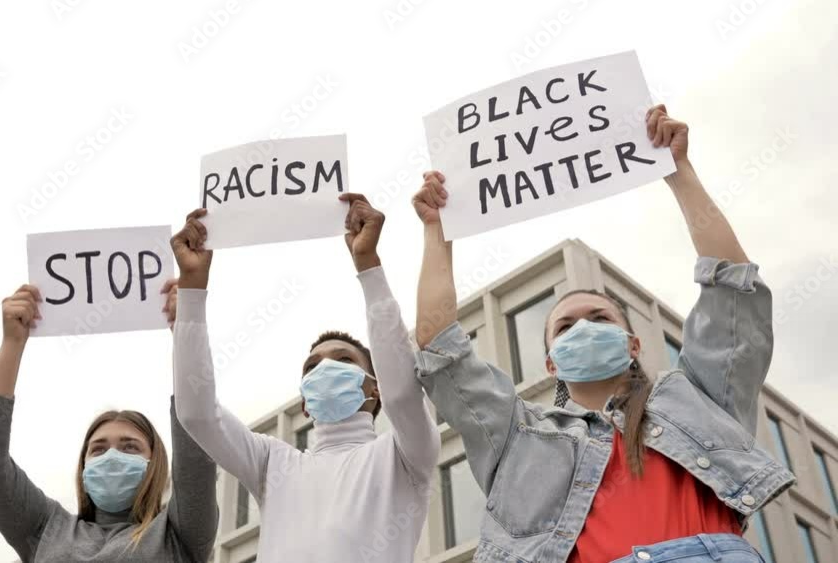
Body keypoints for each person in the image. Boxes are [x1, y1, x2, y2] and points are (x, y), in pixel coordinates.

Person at [411, 105, 795, 563]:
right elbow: (441, 349)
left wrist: (679, 171)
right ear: (551, 362)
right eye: (567, 326)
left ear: (633, 345)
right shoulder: (518, 435)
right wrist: (438, 232)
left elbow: (734, 292)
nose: (585, 328)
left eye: (601, 318)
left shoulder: (697, 397)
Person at [168, 194, 440, 562]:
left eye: (343, 360)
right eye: (312, 367)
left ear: (375, 387)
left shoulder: (405, 455)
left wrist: (368, 265)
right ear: (304, 404)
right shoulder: (273, 465)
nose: (325, 368)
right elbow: (197, 414)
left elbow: (404, 393)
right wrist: (192, 291)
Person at [0, 282, 218, 563]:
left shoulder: (179, 533)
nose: (112, 455)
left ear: (155, 461)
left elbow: (196, 444)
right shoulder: (45, 528)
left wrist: (186, 334)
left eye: (130, 447)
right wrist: (12, 343)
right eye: (98, 449)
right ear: (83, 466)